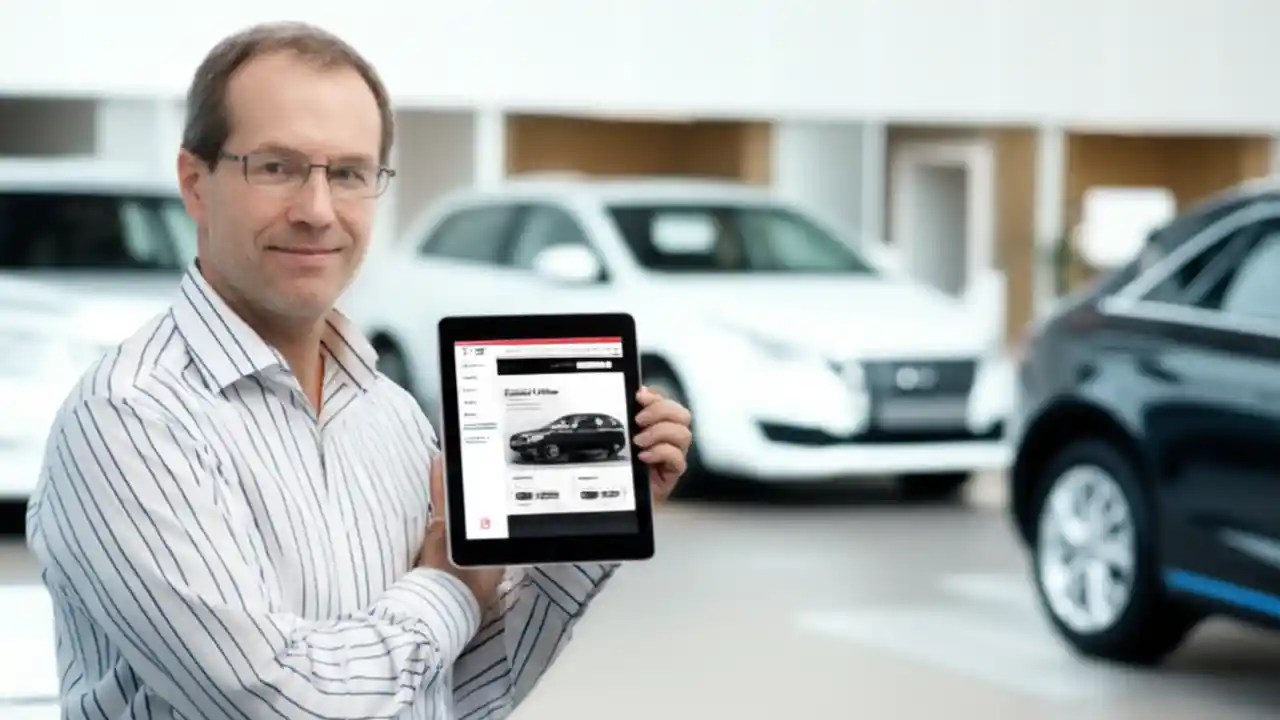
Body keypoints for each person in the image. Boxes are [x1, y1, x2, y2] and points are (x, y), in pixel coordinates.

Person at [24, 20, 693, 720]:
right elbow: (283, 706)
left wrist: (581, 537)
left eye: (347, 173)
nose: (317, 211)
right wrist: (447, 584)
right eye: (276, 167)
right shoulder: (130, 419)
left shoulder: (393, 416)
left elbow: (449, 694)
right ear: (196, 182)